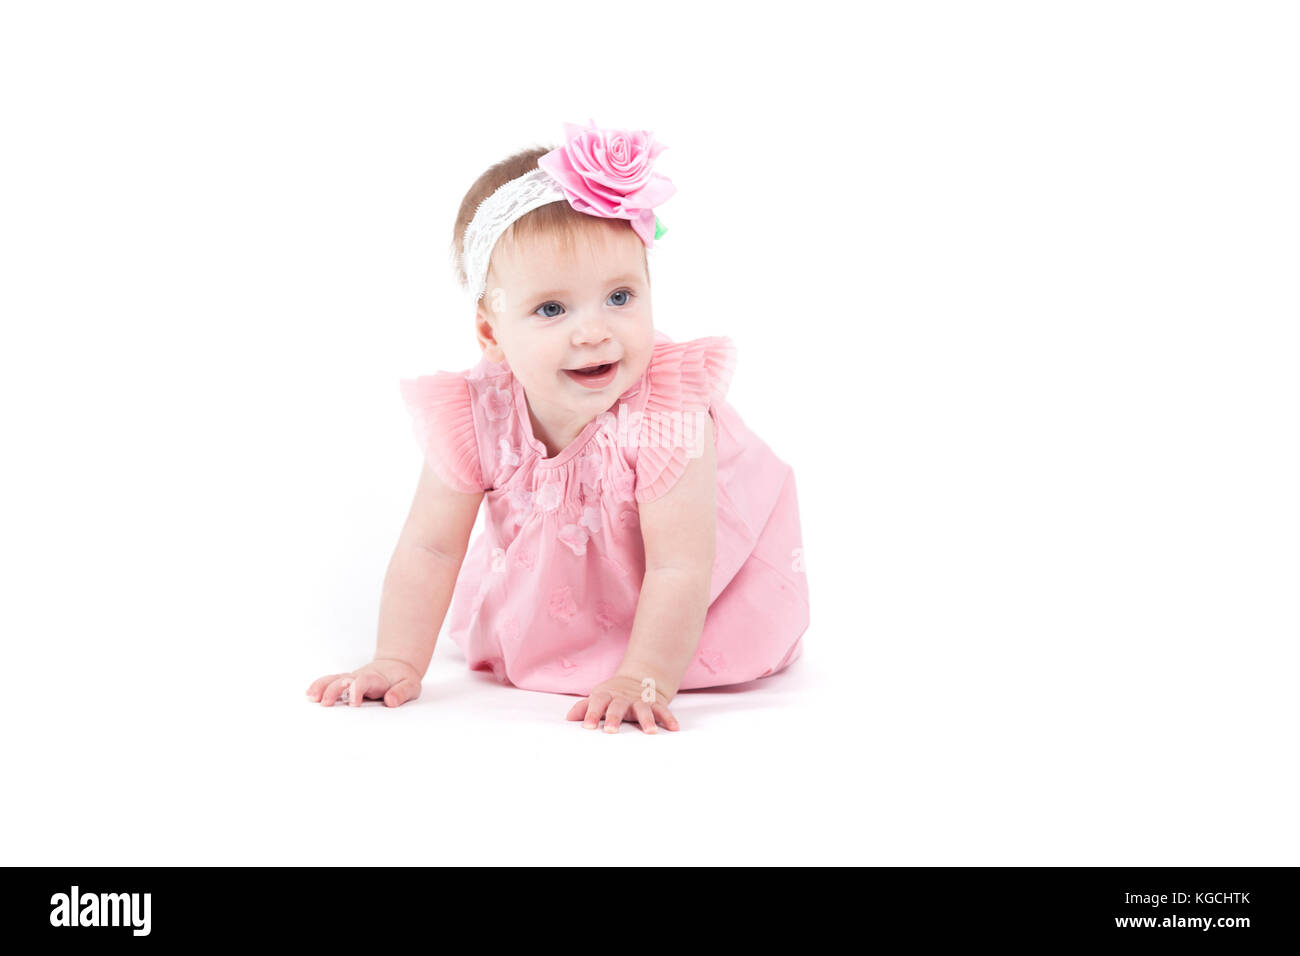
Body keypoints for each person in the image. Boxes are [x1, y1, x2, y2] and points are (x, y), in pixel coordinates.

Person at [307, 120, 809, 733]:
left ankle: (647, 654)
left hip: (689, 598)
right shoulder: (477, 413)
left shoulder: (666, 410)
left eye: (620, 297)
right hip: (561, 601)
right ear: (492, 334)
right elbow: (430, 546)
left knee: (682, 594)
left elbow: (680, 565)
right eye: (551, 308)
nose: (594, 330)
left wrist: (641, 677)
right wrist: (396, 659)